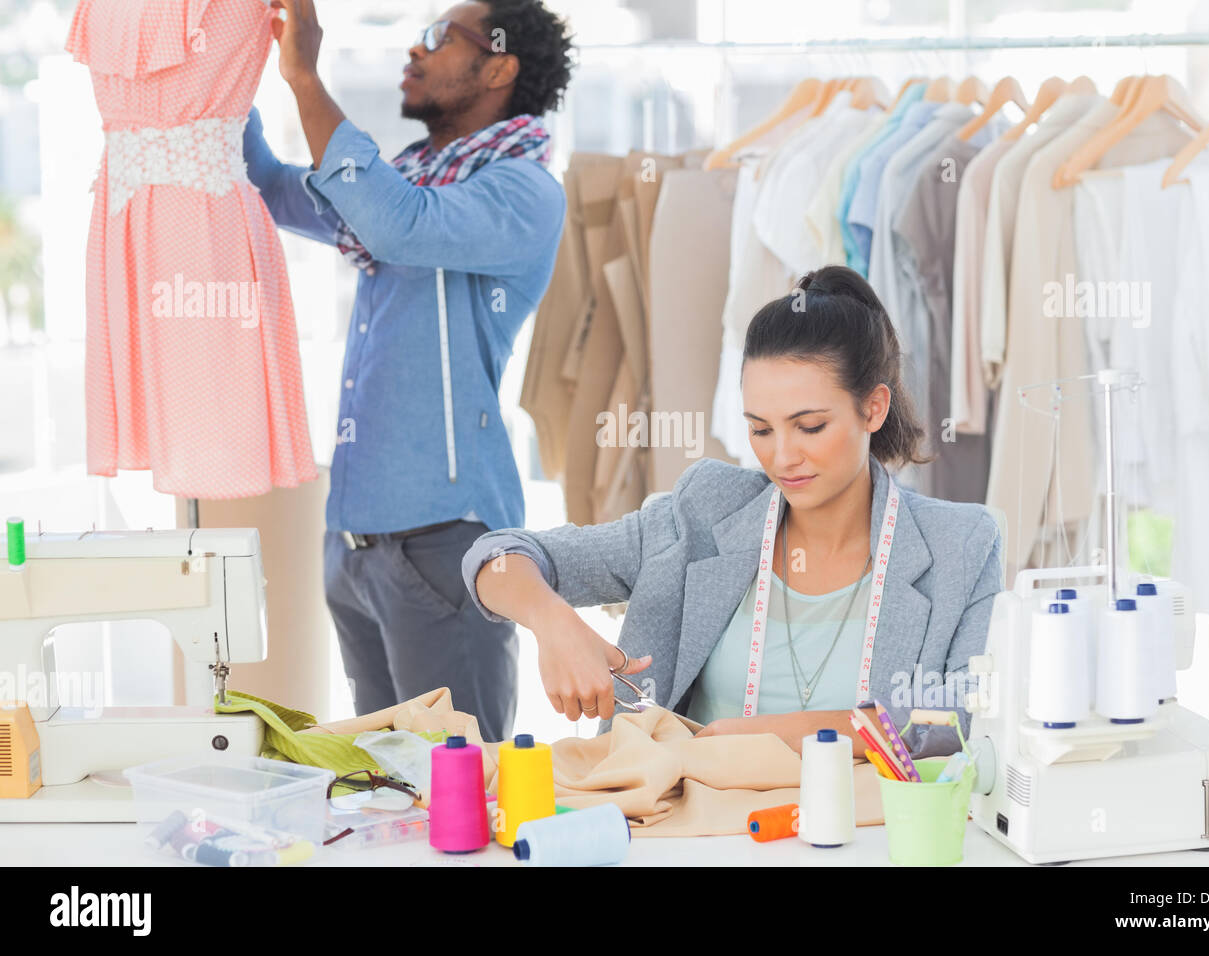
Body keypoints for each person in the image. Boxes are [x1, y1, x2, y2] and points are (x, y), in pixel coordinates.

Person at [462, 266, 1003, 756]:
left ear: (874, 408)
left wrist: (757, 737)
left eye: (810, 426)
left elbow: (957, 721)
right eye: (760, 429)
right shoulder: (705, 513)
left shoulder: (959, 544)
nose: (782, 457)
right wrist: (552, 622)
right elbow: (495, 557)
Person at [244, 0, 574, 741]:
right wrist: (227, 72)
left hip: (444, 546)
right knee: (388, 794)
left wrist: (304, 78)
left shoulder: (523, 193)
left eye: (437, 38)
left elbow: (402, 225)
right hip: (355, 545)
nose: (413, 52)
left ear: (498, 67)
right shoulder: (404, 180)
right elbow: (266, 185)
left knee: (463, 799)